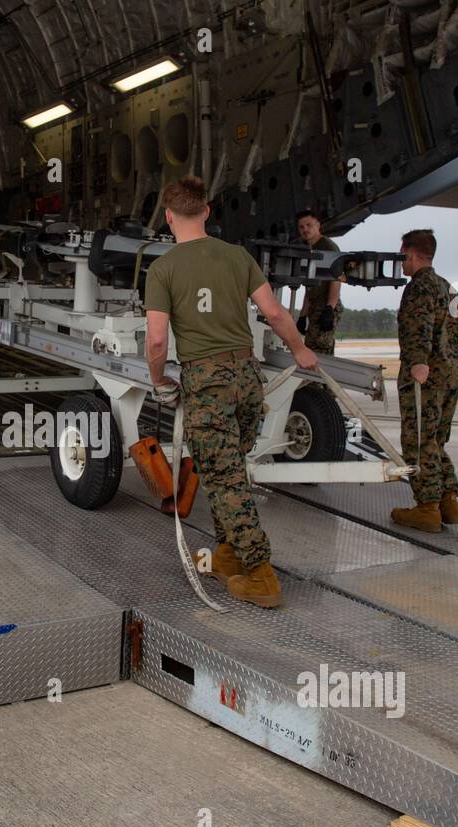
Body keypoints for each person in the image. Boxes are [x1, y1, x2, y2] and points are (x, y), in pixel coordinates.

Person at [144, 176, 319, 609]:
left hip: (207, 382)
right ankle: (227, 554)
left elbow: (157, 341)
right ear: (206, 212)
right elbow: (274, 312)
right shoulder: (238, 256)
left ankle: (260, 573)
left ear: (168, 218)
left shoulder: (163, 268)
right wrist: (300, 350)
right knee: (230, 469)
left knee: (225, 481)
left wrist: (157, 380)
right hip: (246, 378)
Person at [390, 228, 458, 533]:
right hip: (451, 375)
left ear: (411, 252)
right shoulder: (448, 288)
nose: (401, 262)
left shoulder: (419, 287)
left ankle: (427, 508)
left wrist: (419, 364)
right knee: (435, 440)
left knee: (419, 443)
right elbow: (454, 334)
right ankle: (449, 502)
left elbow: (419, 328)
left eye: (402, 255)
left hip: (427, 378)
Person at [294, 209, 343, 355]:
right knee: (311, 346)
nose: (305, 230)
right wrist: (303, 314)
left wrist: (330, 308)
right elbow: (310, 287)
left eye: (309, 225)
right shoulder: (307, 249)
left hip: (326, 305)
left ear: (318, 225)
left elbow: (336, 280)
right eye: (301, 227)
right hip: (314, 305)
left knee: (320, 348)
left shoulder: (328, 247)